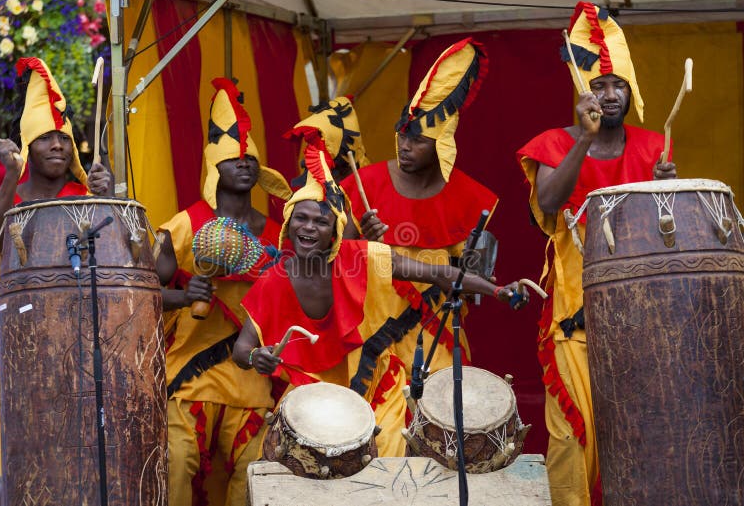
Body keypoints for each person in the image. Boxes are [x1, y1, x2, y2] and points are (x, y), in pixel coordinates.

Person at [232, 127, 529, 458]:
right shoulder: (275, 280)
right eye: (301, 218)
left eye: (321, 222)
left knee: (386, 460)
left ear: (335, 231)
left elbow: (440, 273)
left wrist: (499, 290)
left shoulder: (362, 256)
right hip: (313, 397)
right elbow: (242, 349)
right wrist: (256, 357)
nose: (310, 227)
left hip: (377, 384)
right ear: (288, 225)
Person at [516, 2, 677, 506]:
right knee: (572, 432)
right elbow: (545, 203)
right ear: (582, 90)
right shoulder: (552, 142)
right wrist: (583, 140)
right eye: (600, 86)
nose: (609, 95)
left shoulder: (654, 147)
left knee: (636, 430)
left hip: (641, 312)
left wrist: (670, 191)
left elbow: (670, 234)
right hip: (573, 311)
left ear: (631, 92)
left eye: (619, 86)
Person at [0, 57, 113, 475]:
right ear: (27, 145)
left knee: (78, 461)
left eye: (63, 138)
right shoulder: (3, 195)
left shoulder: (88, 196)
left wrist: (112, 196)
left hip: (78, 341)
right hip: (14, 342)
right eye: (46, 139)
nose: (59, 146)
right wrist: (11, 179)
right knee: (23, 463)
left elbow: (122, 256)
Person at [155, 77, 292, 506]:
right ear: (214, 167)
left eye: (249, 157)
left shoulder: (279, 234)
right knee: (177, 469)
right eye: (233, 158)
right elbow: (141, 293)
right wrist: (182, 294)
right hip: (190, 374)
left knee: (255, 479)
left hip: (251, 377)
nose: (244, 164)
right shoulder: (184, 223)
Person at [340, 37, 499, 377]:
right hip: (373, 328)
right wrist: (364, 241)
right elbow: (338, 258)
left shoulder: (471, 198)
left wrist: (482, 276)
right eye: (402, 135)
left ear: (442, 144)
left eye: (418, 140)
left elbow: (473, 282)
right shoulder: (363, 183)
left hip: (437, 332)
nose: (405, 146)